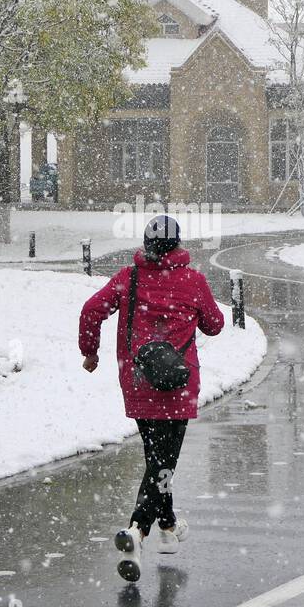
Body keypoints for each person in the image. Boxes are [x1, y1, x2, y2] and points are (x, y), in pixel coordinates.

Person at [78, 215, 225, 582]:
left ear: (146, 245)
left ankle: (169, 526)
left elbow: (91, 310)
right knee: (162, 464)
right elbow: (215, 324)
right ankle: (137, 530)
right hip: (177, 386)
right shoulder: (192, 280)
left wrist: (90, 352)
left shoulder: (128, 279)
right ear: (177, 245)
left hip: (139, 382)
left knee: (156, 459)